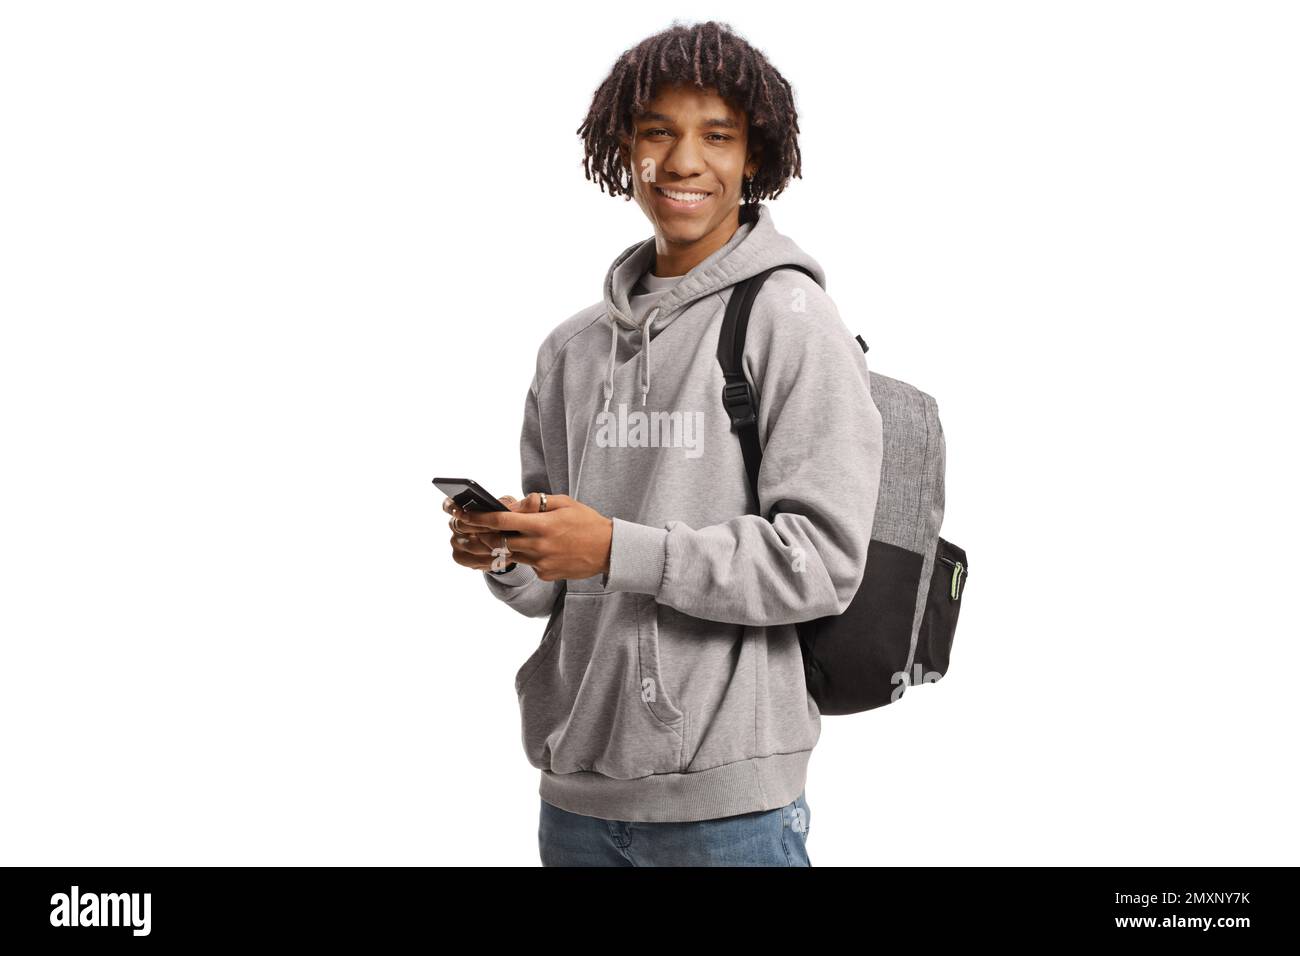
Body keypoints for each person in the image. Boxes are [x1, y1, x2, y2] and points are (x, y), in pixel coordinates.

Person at [442, 20, 883, 866]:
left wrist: (614, 548)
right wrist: (508, 550)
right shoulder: (572, 350)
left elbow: (823, 560)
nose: (685, 162)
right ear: (625, 149)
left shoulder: (791, 320)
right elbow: (551, 591)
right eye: (658, 132)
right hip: (575, 793)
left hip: (729, 810)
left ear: (755, 157)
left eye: (717, 135)